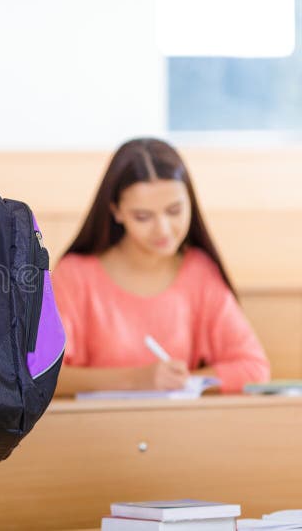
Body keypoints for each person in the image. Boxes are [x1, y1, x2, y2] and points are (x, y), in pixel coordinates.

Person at [52, 138, 270, 396]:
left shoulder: (199, 271)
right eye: (143, 217)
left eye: (175, 211)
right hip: (99, 422)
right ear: (116, 211)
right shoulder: (74, 276)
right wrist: (137, 380)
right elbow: (41, 378)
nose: (163, 230)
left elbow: (253, 367)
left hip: (178, 421)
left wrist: (180, 382)